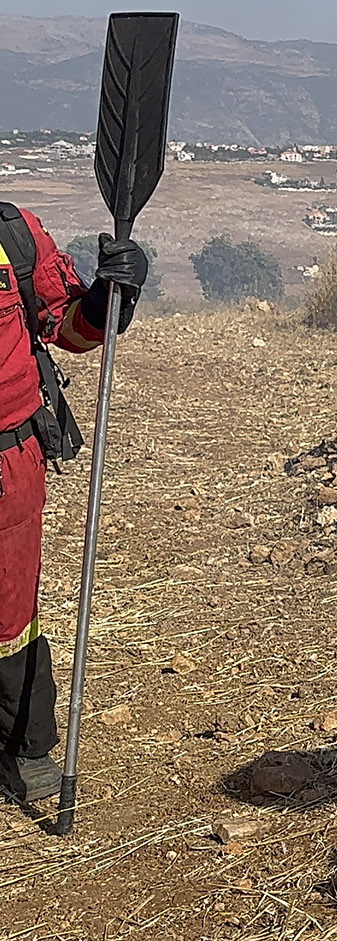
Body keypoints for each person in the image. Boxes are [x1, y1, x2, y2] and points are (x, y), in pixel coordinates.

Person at [0, 210, 149, 803]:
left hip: (8, 463)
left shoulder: (13, 237)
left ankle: (23, 746)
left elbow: (71, 328)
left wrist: (113, 293)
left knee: (9, 610)